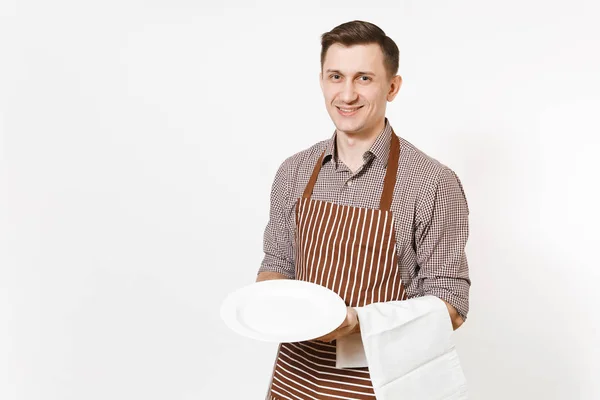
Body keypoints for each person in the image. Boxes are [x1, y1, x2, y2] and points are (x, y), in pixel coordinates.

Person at [256, 20, 471, 400]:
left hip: (381, 387)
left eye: (364, 78)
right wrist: (268, 299)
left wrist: (356, 322)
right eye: (336, 76)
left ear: (392, 86)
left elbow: (450, 306)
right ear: (322, 81)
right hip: (294, 383)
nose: (347, 94)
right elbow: (277, 263)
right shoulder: (293, 171)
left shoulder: (432, 182)